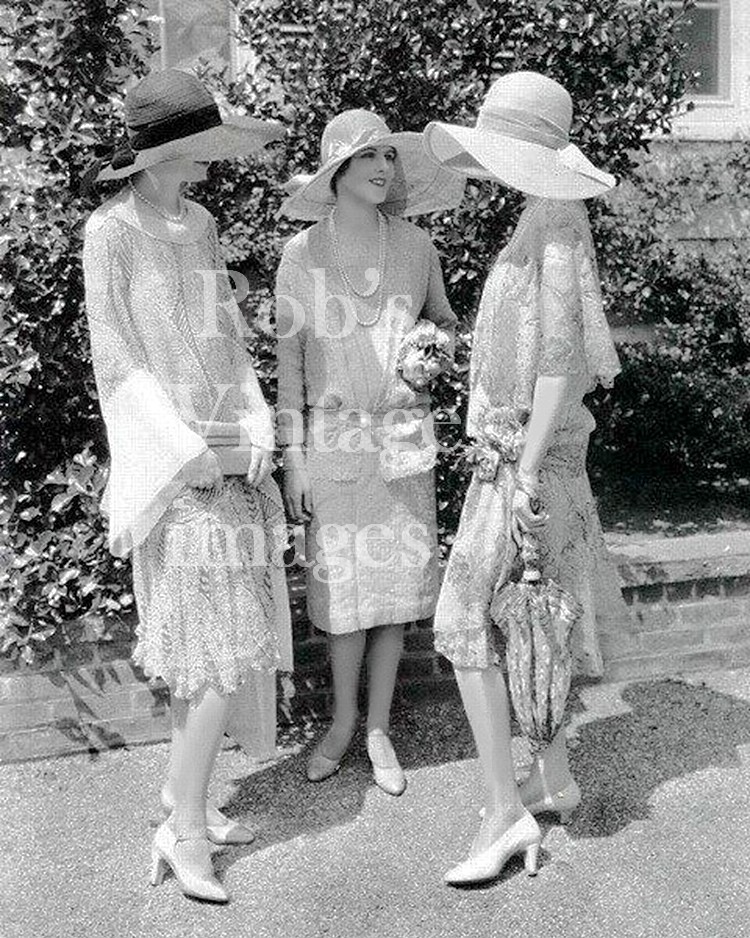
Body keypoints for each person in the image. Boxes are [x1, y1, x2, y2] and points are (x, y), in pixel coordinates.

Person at [82, 69, 291, 903]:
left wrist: (258, 418)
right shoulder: (110, 232)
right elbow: (117, 358)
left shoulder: (199, 223)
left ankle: (181, 795)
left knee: (212, 657)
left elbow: (226, 337)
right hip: (176, 473)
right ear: (166, 151)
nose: (213, 158)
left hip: (231, 461)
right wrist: (183, 450)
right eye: (201, 145)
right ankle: (186, 832)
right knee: (210, 660)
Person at [423, 71, 627, 884]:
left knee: (466, 620)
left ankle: (506, 812)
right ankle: (552, 776)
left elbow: (560, 368)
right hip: (520, 457)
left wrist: (526, 472)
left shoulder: (555, 221)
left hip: (523, 460)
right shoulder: (544, 215)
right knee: (531, 618)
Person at [275, 109, 463, 795]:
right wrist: (292, 456)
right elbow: (289, 365)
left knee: (393, 595)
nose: (385, 168)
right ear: (337, 175)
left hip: (404, 443)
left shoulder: (416, 246)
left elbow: (443, 323)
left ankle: (379, 727)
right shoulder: (301, 256)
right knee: (344, 597)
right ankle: (341, 722)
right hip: (332, 447)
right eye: (369, 159)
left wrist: (428, 357)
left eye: (389, 157)